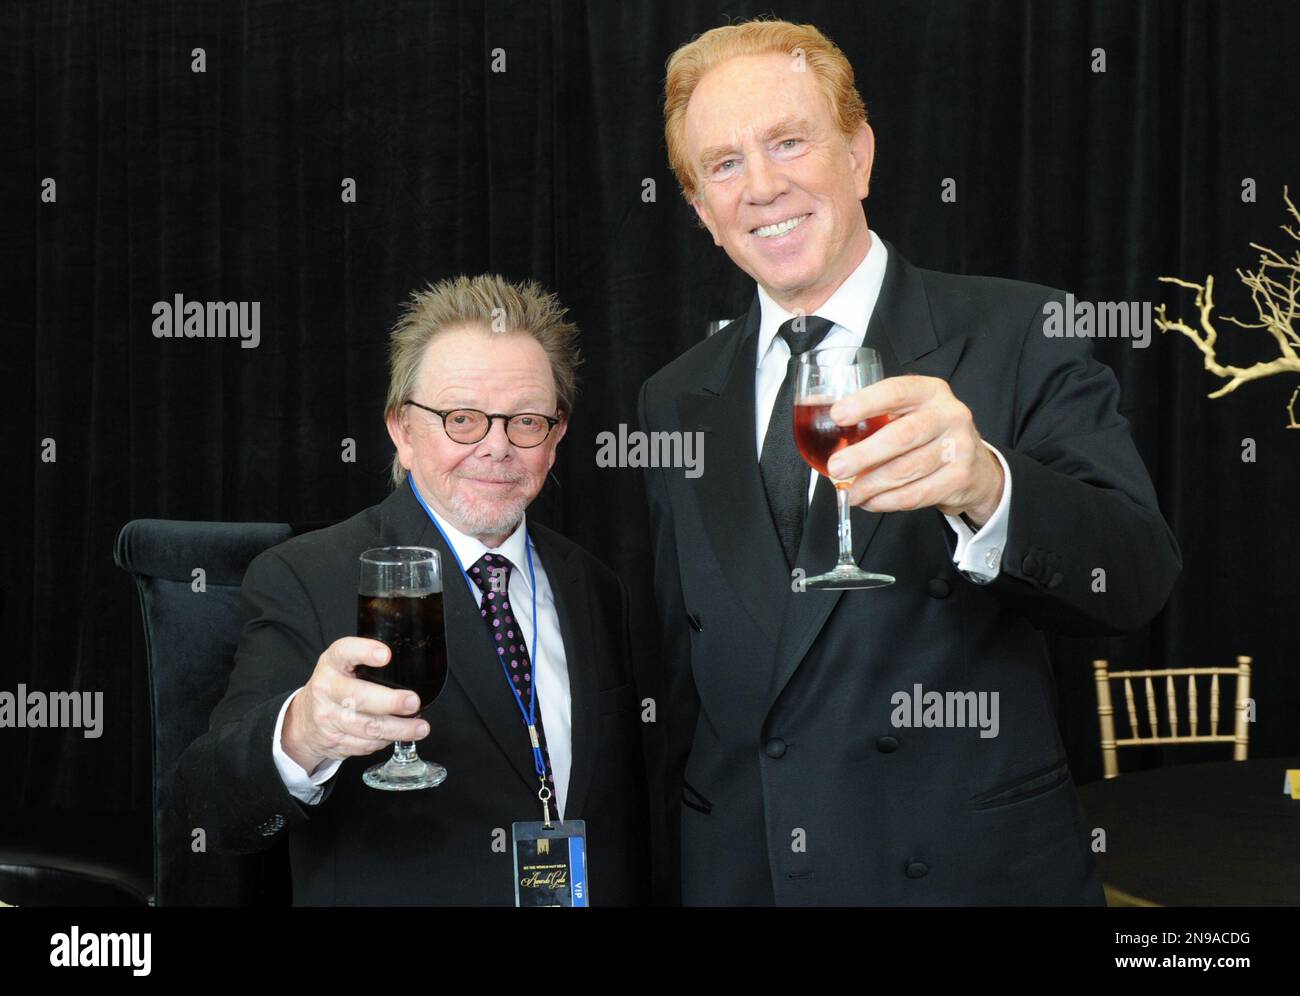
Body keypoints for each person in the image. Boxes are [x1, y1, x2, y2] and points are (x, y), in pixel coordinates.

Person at [639, 19, 1181, 905]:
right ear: (699, 208)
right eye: (724, 164)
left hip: (966, 874)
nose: (763, 186)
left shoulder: (1022, 331)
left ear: (858, 154)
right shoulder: (673, 396)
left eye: (788, 141)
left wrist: (987, 486)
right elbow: (679, 669)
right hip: (749, 873)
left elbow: (1136, 579)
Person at [178, 274, 650, 905]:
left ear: (557, 435)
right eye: (461, 419)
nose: (496, 447)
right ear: (401, 428)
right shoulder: (306, 575)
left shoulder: (594, 585)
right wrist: (304, 736)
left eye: (527, 421)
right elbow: (209, 807)